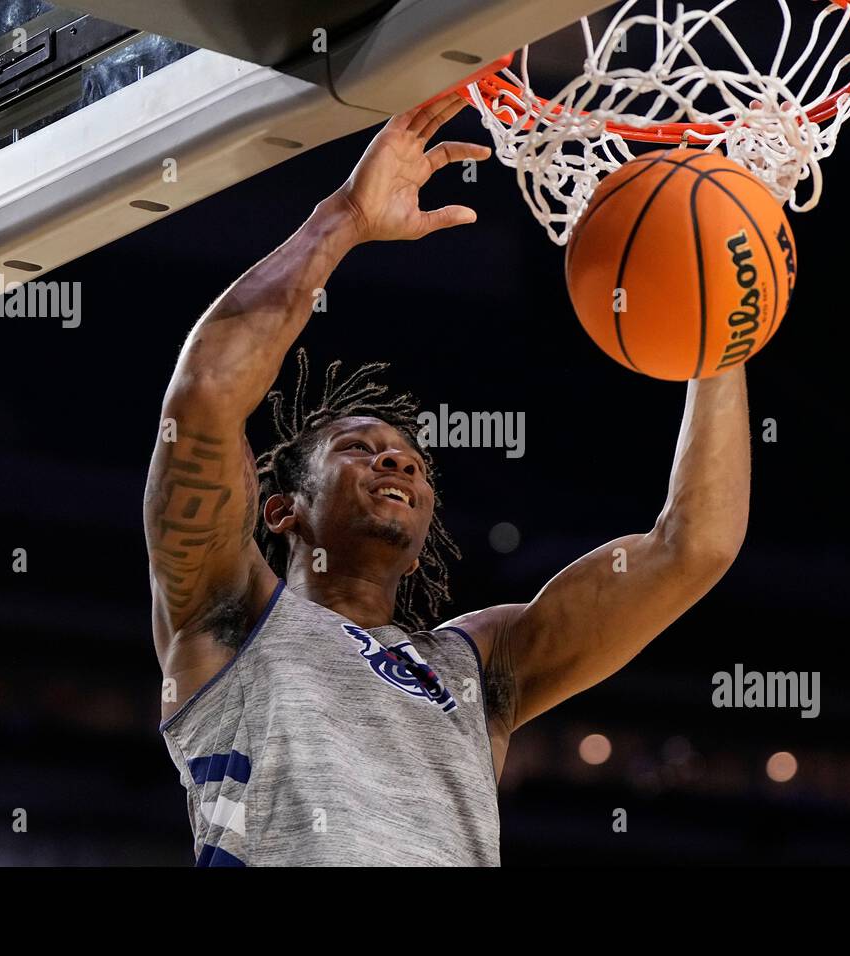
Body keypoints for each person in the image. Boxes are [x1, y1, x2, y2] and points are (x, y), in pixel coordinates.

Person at [144, 93, 751, 866]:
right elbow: (201, 400)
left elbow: (693, 548)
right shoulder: (228, 616)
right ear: (283, 509)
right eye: (359, 448)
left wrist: (719, 329)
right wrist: (346, 220)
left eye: (411, 462)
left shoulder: (474, 667)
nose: (394, 462)